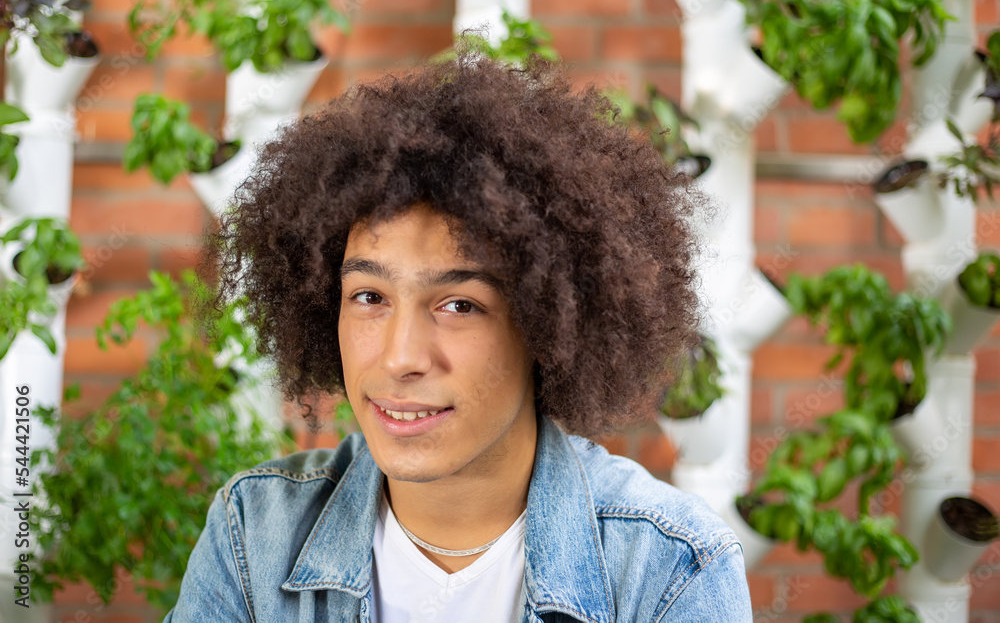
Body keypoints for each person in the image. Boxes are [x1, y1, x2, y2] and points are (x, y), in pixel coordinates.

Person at [165, 46, 752, 622]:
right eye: (369, 297)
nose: (400, 358)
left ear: (549, 327)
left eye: (459, 305)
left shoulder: (670, 568)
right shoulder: (254, 536)